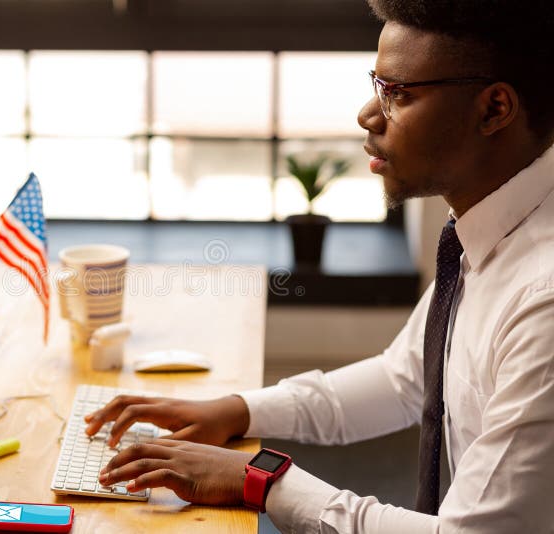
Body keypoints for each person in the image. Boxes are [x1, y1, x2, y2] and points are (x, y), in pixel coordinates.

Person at [84, 0, 554, 532]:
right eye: (377, 85)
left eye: (398, 93)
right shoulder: (485, 230)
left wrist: (259, 478)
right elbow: (407, 379)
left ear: (494, 109)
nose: (368, 115)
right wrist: (235, 409)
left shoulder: (541, 300)